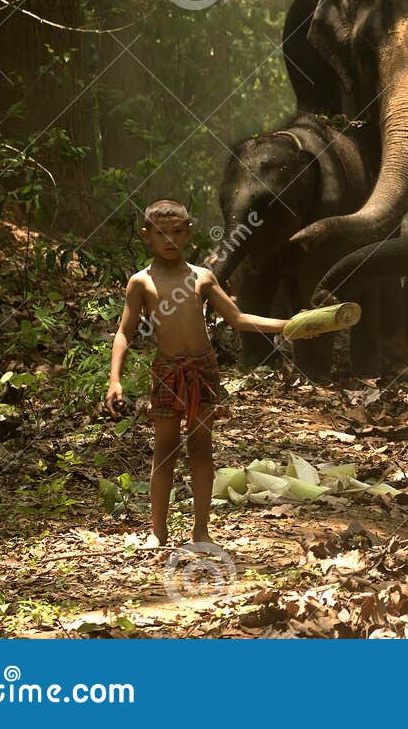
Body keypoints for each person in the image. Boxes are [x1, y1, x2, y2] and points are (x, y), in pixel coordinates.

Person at [105, 199, 290, 551]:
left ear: (188, 231)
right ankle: (158, 532)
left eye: (177, 232)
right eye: (161, 233)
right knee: (165, 451)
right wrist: (115, 377)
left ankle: (201, 531)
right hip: (167, 370)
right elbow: (124, 332)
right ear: (147, 236)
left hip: (202, 369)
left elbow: (238, 318)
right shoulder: (141, 282)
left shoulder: (202, 277)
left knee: (201, 448)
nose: (170, 240)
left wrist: (289, 326)